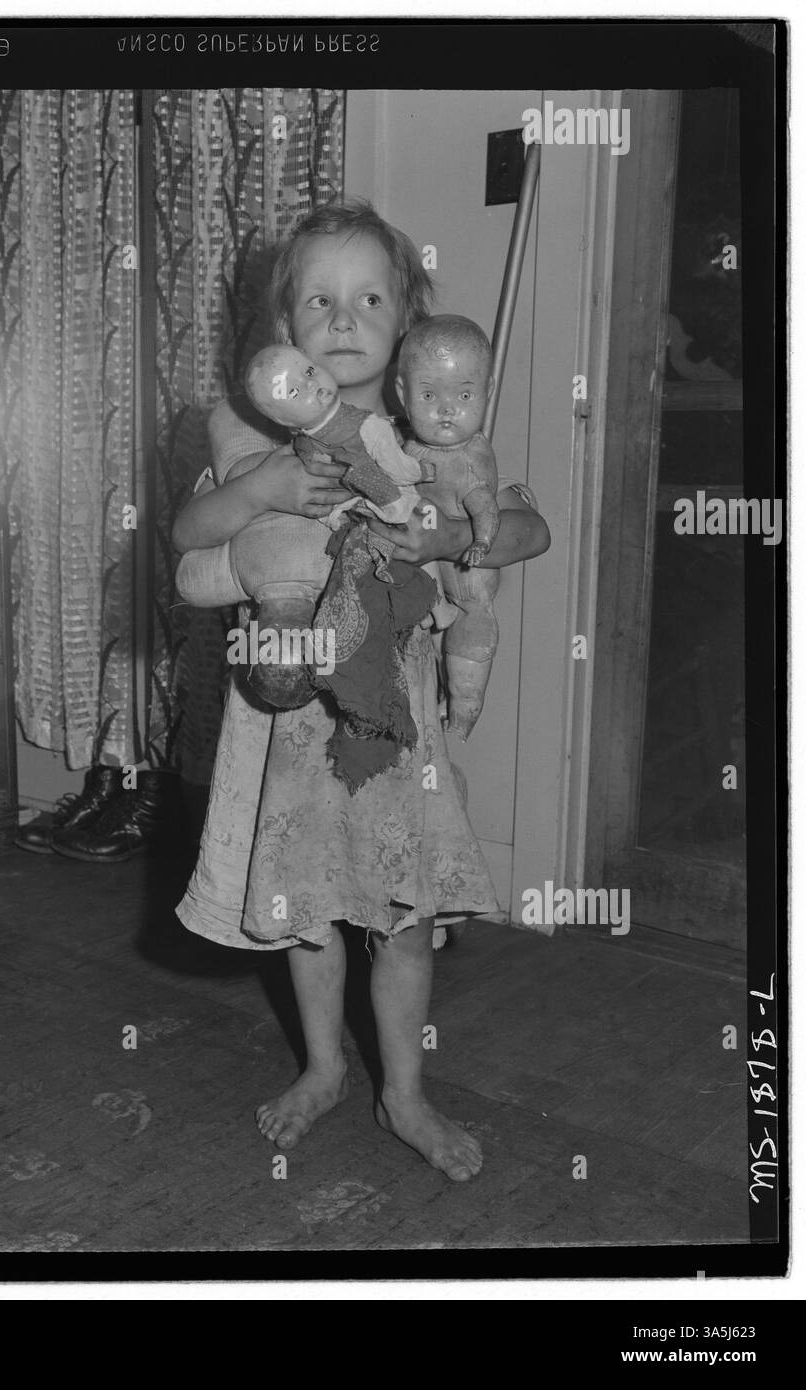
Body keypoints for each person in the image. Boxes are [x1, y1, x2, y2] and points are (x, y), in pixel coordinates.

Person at [172, 199, 550, 1181]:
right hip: (283, 719)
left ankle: (405, 1092)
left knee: (403, 918)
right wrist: (256, 492)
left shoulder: (431, 422)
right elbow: (188, 535)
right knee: (303, 909)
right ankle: (327, 1066)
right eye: (319, 299)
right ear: (284, 327)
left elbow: (526, 529)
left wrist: (449, 535)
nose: (344, 318)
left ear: (408, 316)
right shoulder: (256, 427)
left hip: (393, 727)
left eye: (370, 296)